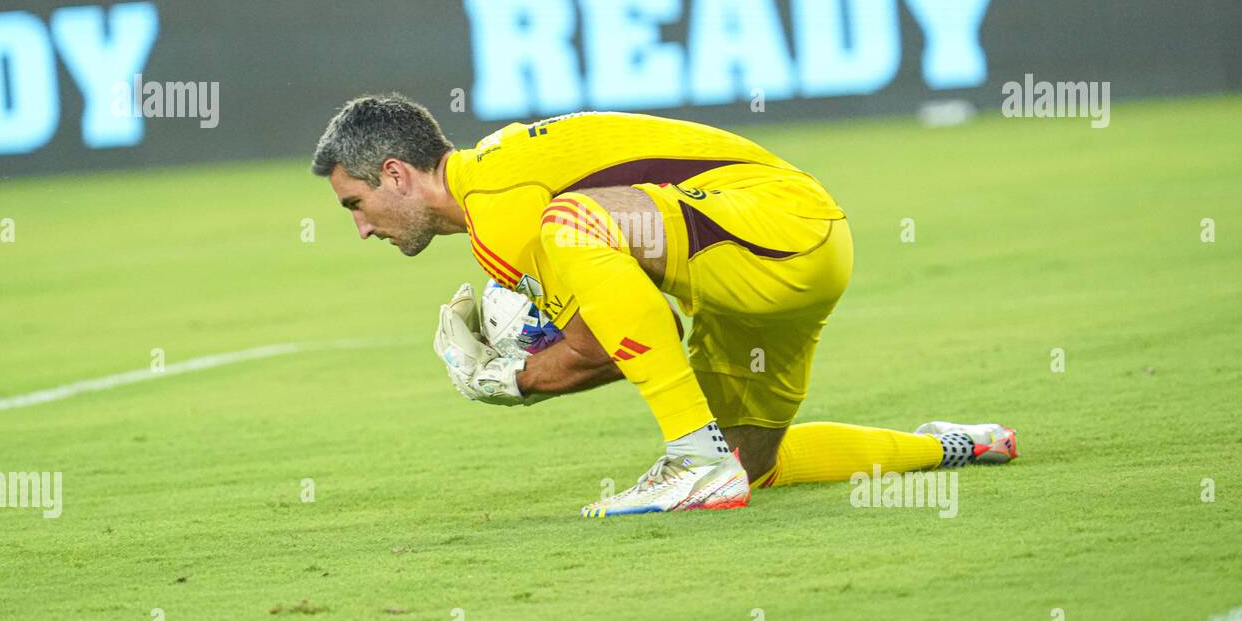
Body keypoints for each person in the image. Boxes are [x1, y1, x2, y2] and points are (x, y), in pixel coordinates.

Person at [311, 95, 1019, 517]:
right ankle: (952, 444)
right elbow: (626, 333)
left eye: (357, 203)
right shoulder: (500, 184)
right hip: (781, 255)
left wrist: (504, 378)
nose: (361, 226)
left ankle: (693, 459)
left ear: (397, 174)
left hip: (774, 229)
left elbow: (601, 347)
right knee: (756, 464)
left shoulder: (498, 207)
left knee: (574, 222)